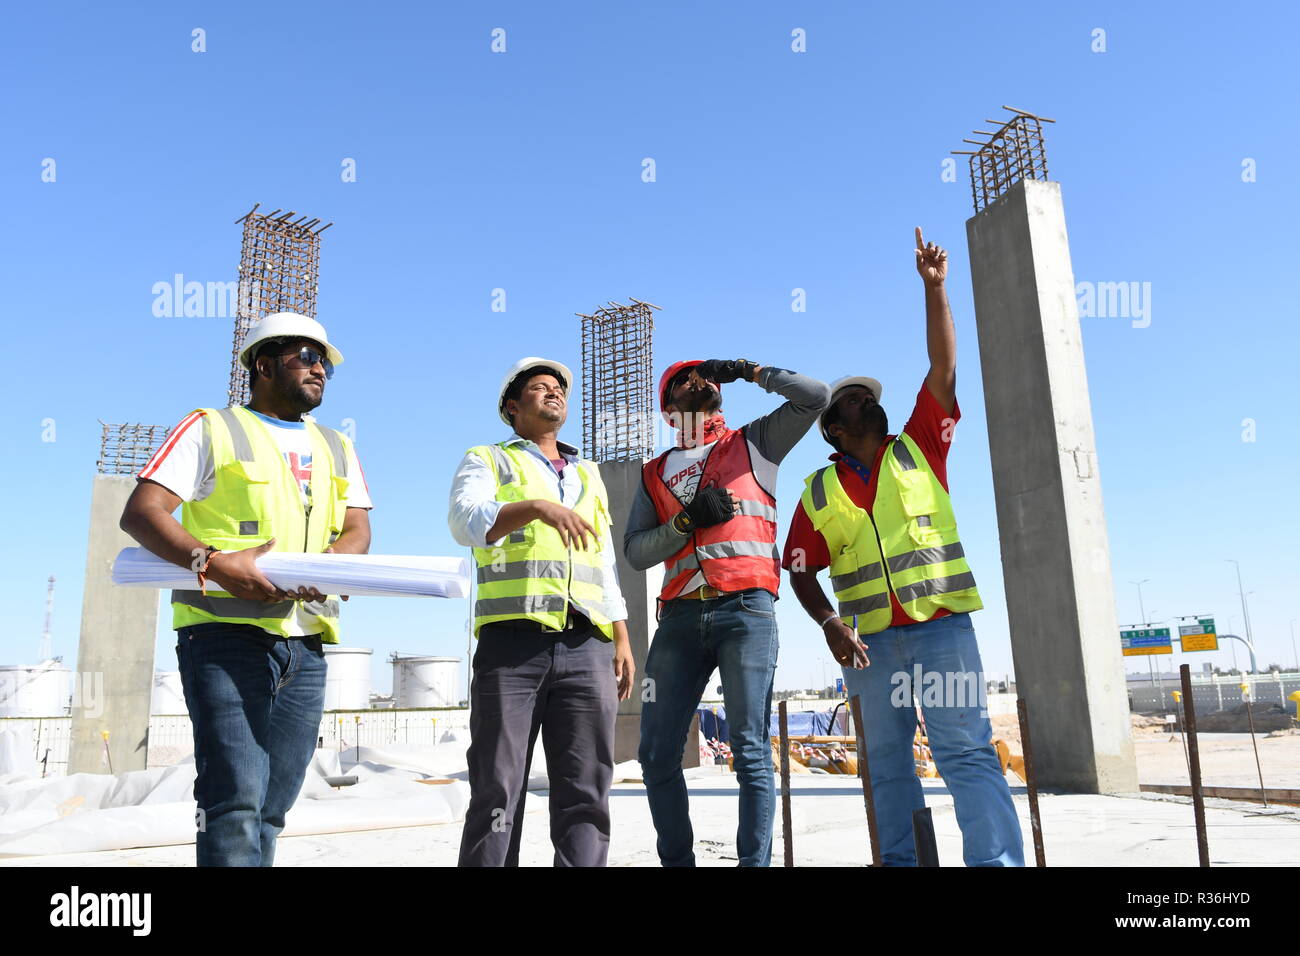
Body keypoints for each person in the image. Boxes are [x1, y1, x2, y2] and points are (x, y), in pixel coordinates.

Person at [784, 229, 1024, 866]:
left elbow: (942, 368)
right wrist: (829, 622)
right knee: (888, 765)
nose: (872, 401)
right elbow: (801, 571)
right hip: (868, 647)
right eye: (859, 400)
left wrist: (935, 286)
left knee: (966, 752)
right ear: (836, 427)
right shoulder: (817, 491)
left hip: (942, 629)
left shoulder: (921, 446)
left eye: (873, 397)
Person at [120, 312, 372, 866]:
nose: (320, 369)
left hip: (305, 644)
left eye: (324, 361)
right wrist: (209, 562)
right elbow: (142, 512)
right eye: (305, 356)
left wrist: (333, 565)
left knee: (272, 807)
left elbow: (357, 529)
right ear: (263, 363)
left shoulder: (336, 444)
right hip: (224, 635)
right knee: (233, 801)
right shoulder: (211, 427)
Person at [624, 358, 829, 866]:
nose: (697, 387)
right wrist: (686, 522)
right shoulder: (654, 474)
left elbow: (815, 395)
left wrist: (749, 370)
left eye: (705, 380)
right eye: (682, 387)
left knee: (751, 752)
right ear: (669, 413)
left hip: (746, 610)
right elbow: (635, 552)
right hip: (679, 619)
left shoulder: (754, 443)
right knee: (655, 756)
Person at [448, 357, 635, 867]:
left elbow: (602, 560)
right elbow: (467, 522)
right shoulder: (489, 459)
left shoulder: (588, 473)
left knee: (587, 788)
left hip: (589, 645)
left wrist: (620, 636)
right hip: (512, 644)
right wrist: (535, 506)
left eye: (559, 388)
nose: (554, 392)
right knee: (497, 786)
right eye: (539, 387)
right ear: (512, 407)